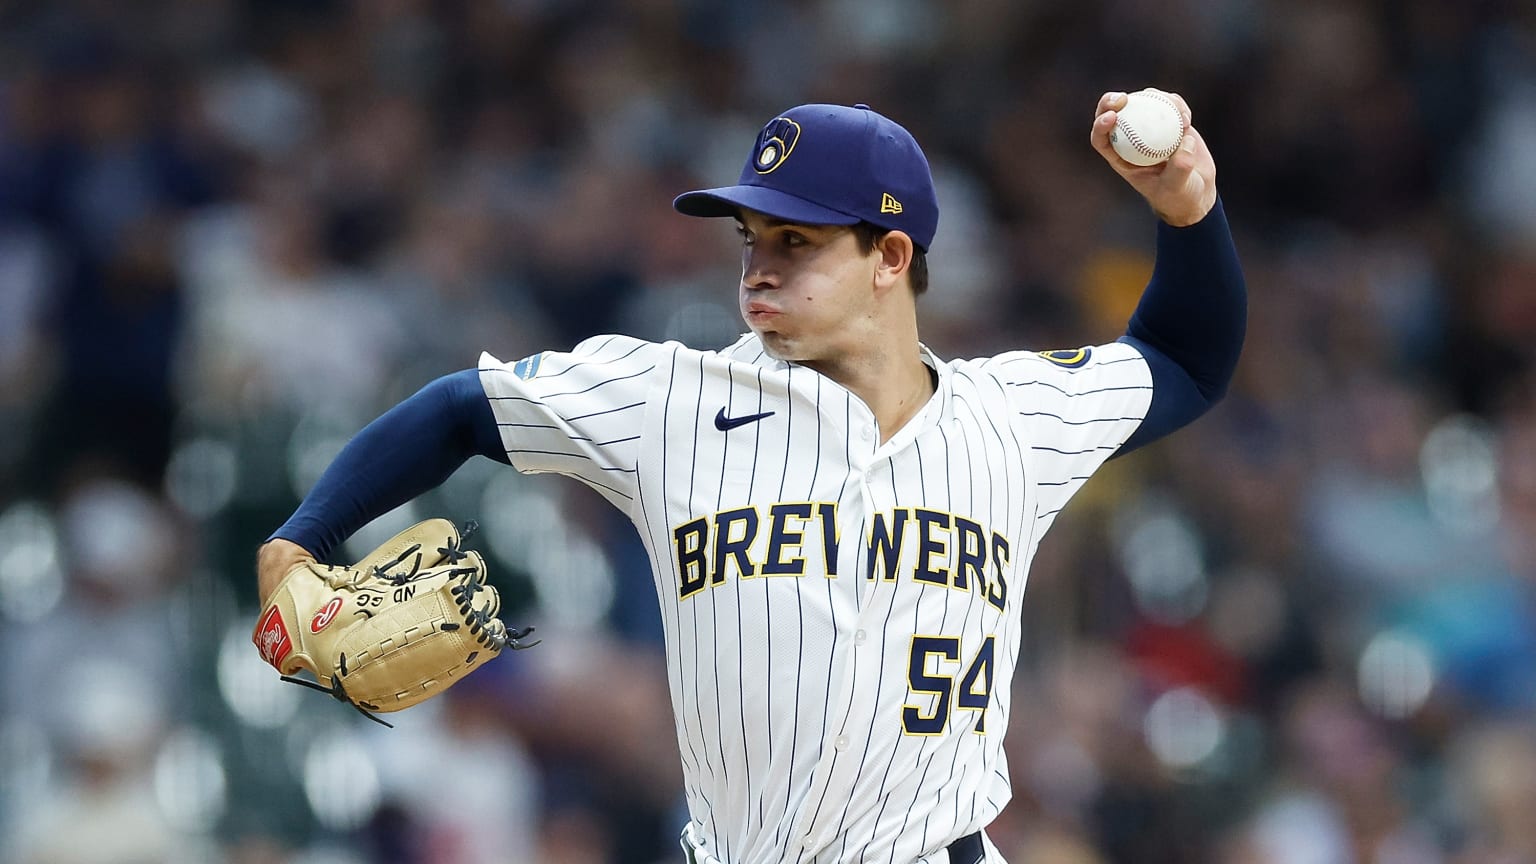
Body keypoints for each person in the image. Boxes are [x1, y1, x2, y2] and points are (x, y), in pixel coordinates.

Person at [256, 92, 1245, 863]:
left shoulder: (1012, 416)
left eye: (796, 242)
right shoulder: (668, 398)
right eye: (751, 239)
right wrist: (300, 539)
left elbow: (1188, 359)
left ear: (889, 257)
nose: (757, 268)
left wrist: (1190, 210)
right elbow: (458, 408)